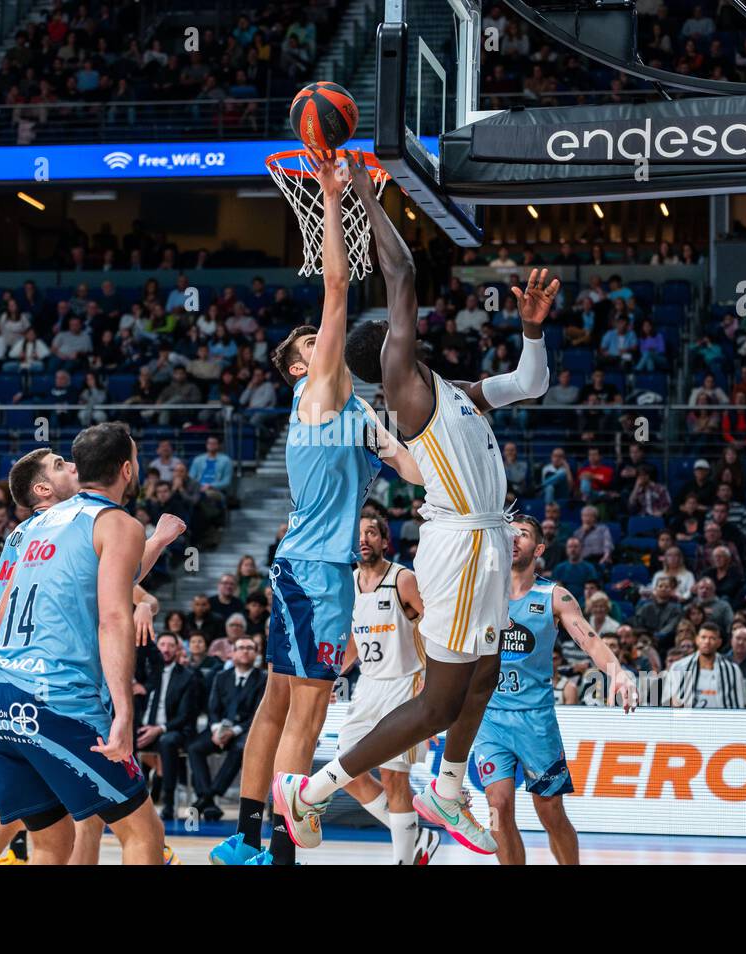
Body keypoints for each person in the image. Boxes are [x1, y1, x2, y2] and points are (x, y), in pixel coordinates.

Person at [276, 153, 623, 859]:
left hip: (487, 542)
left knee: (485, 674)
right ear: (392, 352)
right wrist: (374, 195)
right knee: (440, 699)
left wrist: (531, 327)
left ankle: (448, 787)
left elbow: (530, 383)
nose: (412, 331)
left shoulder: (453, 388)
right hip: (460, 546)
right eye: (401, 336)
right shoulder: (403, 384)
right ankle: (312, 790)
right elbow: (399, 275)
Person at [209, 154, 420, 867]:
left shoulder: (356, 413)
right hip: (317, 570)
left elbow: (412, 467)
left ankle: (243, 837)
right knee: (309, 708)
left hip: (301, 567)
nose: (322, 342)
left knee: (275, 704)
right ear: (302, 366)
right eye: (311, 344)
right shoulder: (320, 389)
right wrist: (332, 197)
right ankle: (280, 849)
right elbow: (335, 283)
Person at [0, 422, 164, 865]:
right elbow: (113, 617)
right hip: (54, 698)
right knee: (143, 832)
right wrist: (123, 712)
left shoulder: (33, 525)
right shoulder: (117, 523)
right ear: (127, 469)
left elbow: (0, 612)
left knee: (50, 840)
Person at [476, 516, 635, 865]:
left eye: (524, 535)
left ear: (540, 549)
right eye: (509, 535)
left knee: (550, 812)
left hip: (535, 720)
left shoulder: (554, 595)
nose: (514, 540)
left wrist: (617, 674)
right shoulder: (483, 590)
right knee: (497, 808)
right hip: (489, 719)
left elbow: (590, 641)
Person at [334, 515, 440, 865]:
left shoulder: (403, 579)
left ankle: (403, 858)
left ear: (384, 541)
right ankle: (419, 835)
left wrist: (433, 675)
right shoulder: (348, 584)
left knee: (394, 778)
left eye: (371, 533)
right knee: (342, 771)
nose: (364, 538)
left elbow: (436, 624)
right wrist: (334, 674)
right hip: (368, 686)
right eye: (359, 533)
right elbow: (353, 641)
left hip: (405, 683)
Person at [188, 637, 266, 821]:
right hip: (220, 729)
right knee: (194, 747)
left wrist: (235, 731)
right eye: (241, 648)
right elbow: (212, 708)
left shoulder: (263, 679)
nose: (245, 651)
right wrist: (217, 730)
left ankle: (207, 796)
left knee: (241, 748)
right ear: (232, 653)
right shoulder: (221, 677)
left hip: (245, 731)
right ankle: (209, 801)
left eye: (249, 648)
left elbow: (259, 714)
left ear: (256, 654)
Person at [136, 632, 203, 820]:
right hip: (144, 727)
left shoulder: (187, 677)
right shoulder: (146, 673)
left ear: (178, 649)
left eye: (170, 645)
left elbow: (186, 715)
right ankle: (129, 802)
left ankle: (168, 801)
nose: (165, 649)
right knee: (125, 739)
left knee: (167, 741)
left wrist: (159, 728)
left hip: (173, 730)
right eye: (162, 644)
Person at [668, 623, 746, 708]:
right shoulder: (679, 667)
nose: (707, 642)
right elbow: (669, 701)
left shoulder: (733, 670)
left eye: (712, 638)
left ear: (719, 642)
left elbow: (740, 704)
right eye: (703, 637)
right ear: (697, 640)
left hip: (721, 719)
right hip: (688, 720)